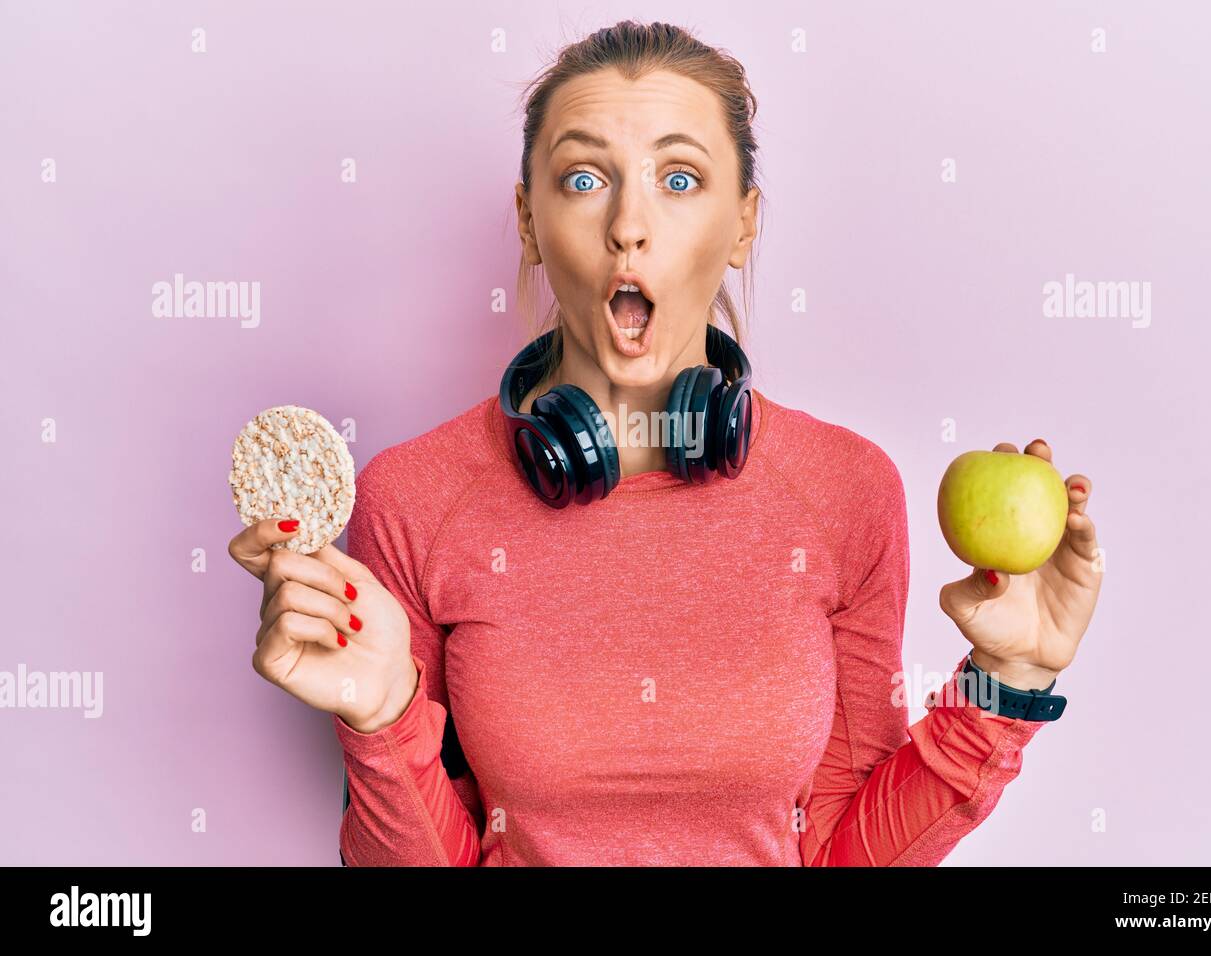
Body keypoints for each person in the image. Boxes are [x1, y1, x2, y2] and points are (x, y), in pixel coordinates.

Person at [227, 20, 1102, 866]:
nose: (628, 226)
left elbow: (843, 853)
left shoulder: (846, 488)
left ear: (744, 222)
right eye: (582, 180)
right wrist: (382, 720)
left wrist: (1008, 674)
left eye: (679, 179)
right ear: (529, 222)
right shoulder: (415, 495)